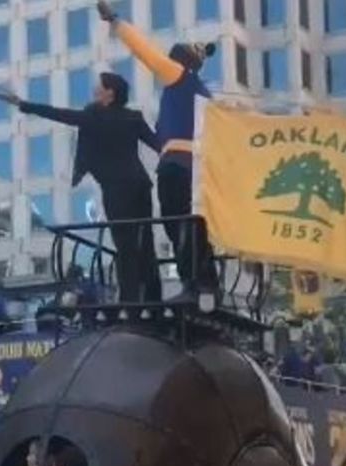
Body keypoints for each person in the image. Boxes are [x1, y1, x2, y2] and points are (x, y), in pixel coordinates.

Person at [0, 73, 162, 305]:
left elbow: (58, 113)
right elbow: (158, 144)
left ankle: (131, 301)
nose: (95, 89)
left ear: (110, 93)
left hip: (117, 190)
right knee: (146, 243)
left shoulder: (92, 117)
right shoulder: (132, 118)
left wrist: (22, 104)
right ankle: (154, 297)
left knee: (125, 246)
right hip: (140, 186)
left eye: (100, 86)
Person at [97, 0, 219, 300]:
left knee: (177, 222)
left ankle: (195, 284)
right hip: (193, 168)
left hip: (177, 167)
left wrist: (115, 21)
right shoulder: (202, 94)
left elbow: (145, 52)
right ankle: (205, 283)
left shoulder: (179, 78)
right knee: (190, 225)